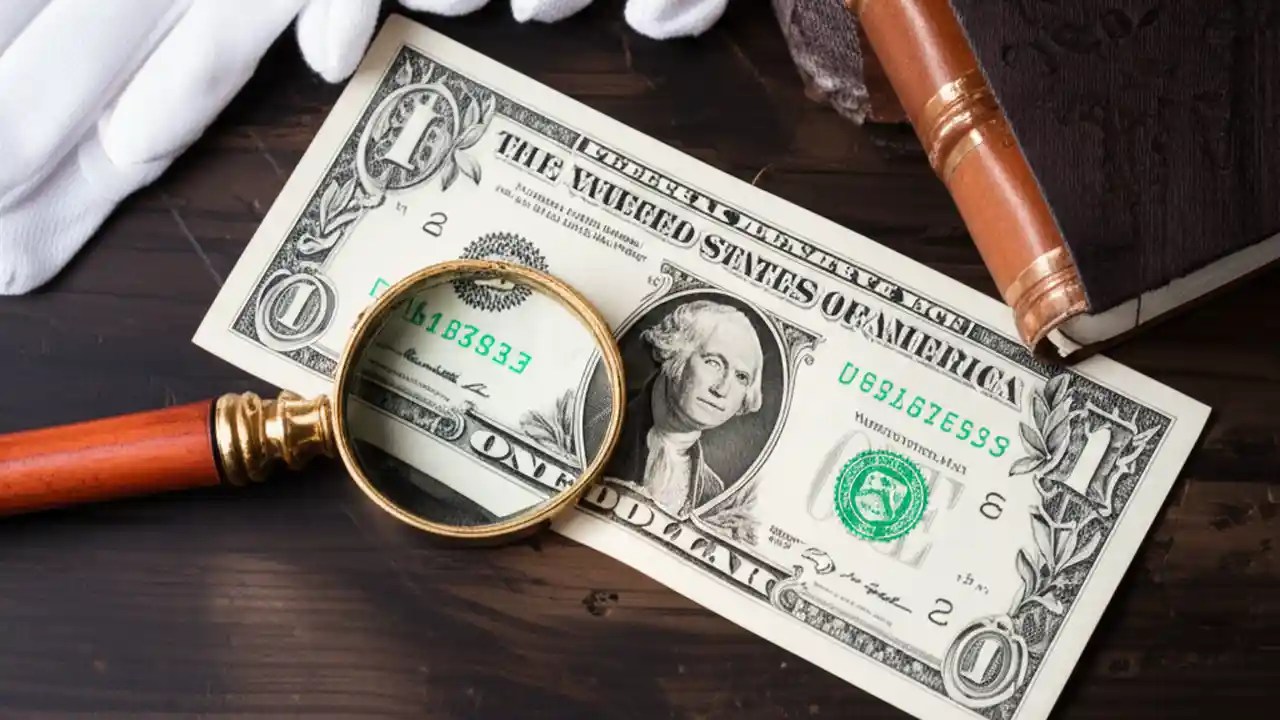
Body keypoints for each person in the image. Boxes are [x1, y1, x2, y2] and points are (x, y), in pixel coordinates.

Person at [607, 298, 764, 517]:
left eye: (741, 377)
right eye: (713, 363)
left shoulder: (711, 491)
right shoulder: (602, 418)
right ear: (673, 352)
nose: (722, 389)